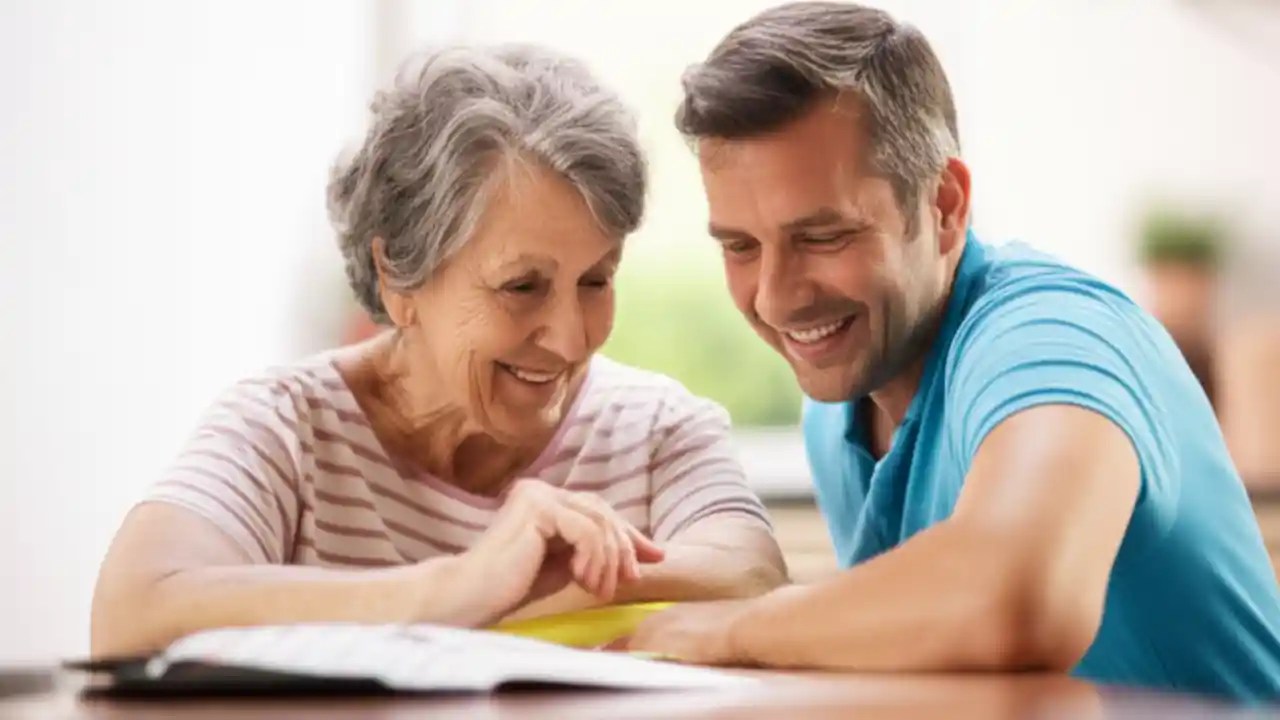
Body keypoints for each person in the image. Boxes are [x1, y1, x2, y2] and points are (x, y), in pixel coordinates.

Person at [627, 1, 1280, 702]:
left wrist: (729, 630)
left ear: (943, 205)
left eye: (823, 237)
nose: (778, 298)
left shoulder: (1050, 333)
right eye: (741, 247)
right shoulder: (839, 411)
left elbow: (1019, 598)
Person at [91, 44, 786, 658]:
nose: (572, 338)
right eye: (522, 286)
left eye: (596, 280)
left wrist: (550, 578)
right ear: (400, 277)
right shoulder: (286, 430)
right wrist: (460, 585)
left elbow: (750, 575)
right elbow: (132, 614)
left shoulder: (657, 428)